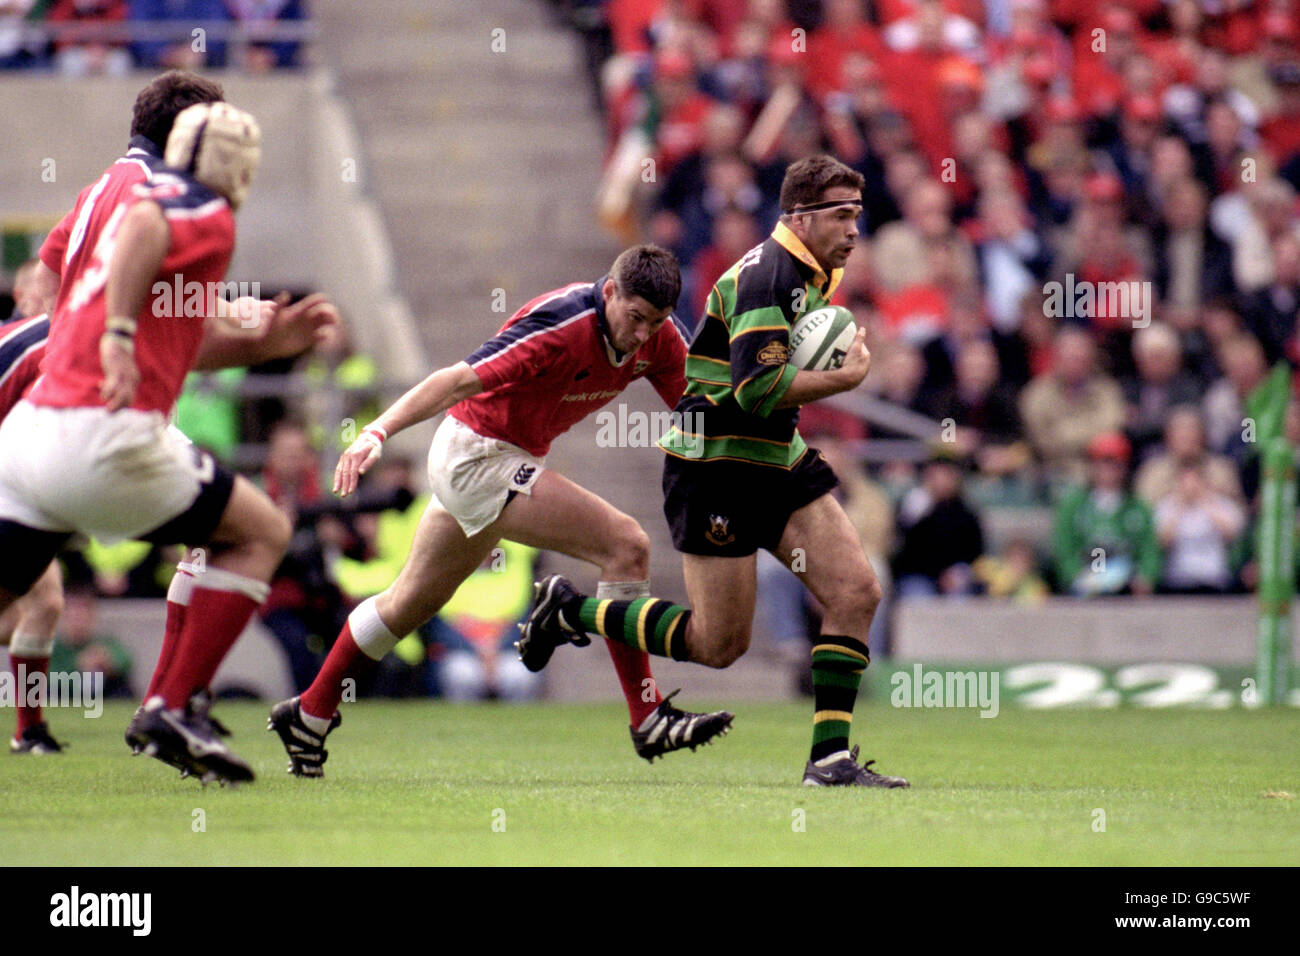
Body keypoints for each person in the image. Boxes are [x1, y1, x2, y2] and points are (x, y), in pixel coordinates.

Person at [269, 245, 734, 778]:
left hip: (508, 458)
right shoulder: (561, 324)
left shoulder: (660, 338)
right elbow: (456, 380)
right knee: (627, 545)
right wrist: (378, 430)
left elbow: (701, 415)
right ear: (610, 292)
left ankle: (308, 714)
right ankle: (647, 717)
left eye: (654, 323)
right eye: (634, 319)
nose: (641, 336)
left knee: (406, 606)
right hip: (475, 454)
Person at [520, 155, 910, 789]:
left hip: (774, 459)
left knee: (857, 591)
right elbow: (757, 390)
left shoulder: (814, 273)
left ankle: (830, 760)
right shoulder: (769, 276)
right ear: (800, 218)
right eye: (842, 216)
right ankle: (572, 612)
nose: (853, 230)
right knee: (717, 645)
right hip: (718, 465)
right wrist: (843, 378)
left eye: (857, 216)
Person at [1, 70, 337, 757]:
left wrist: (259, 339)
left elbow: (52, 273)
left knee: (28, 601)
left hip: (36, 428)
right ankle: (172, 703)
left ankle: (163, 704)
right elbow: (146, 231)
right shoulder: (184, 201)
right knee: (259, 532)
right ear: (195, 139)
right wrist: (120, 335)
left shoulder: (103, 186)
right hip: (103, 426)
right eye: (233, 142)